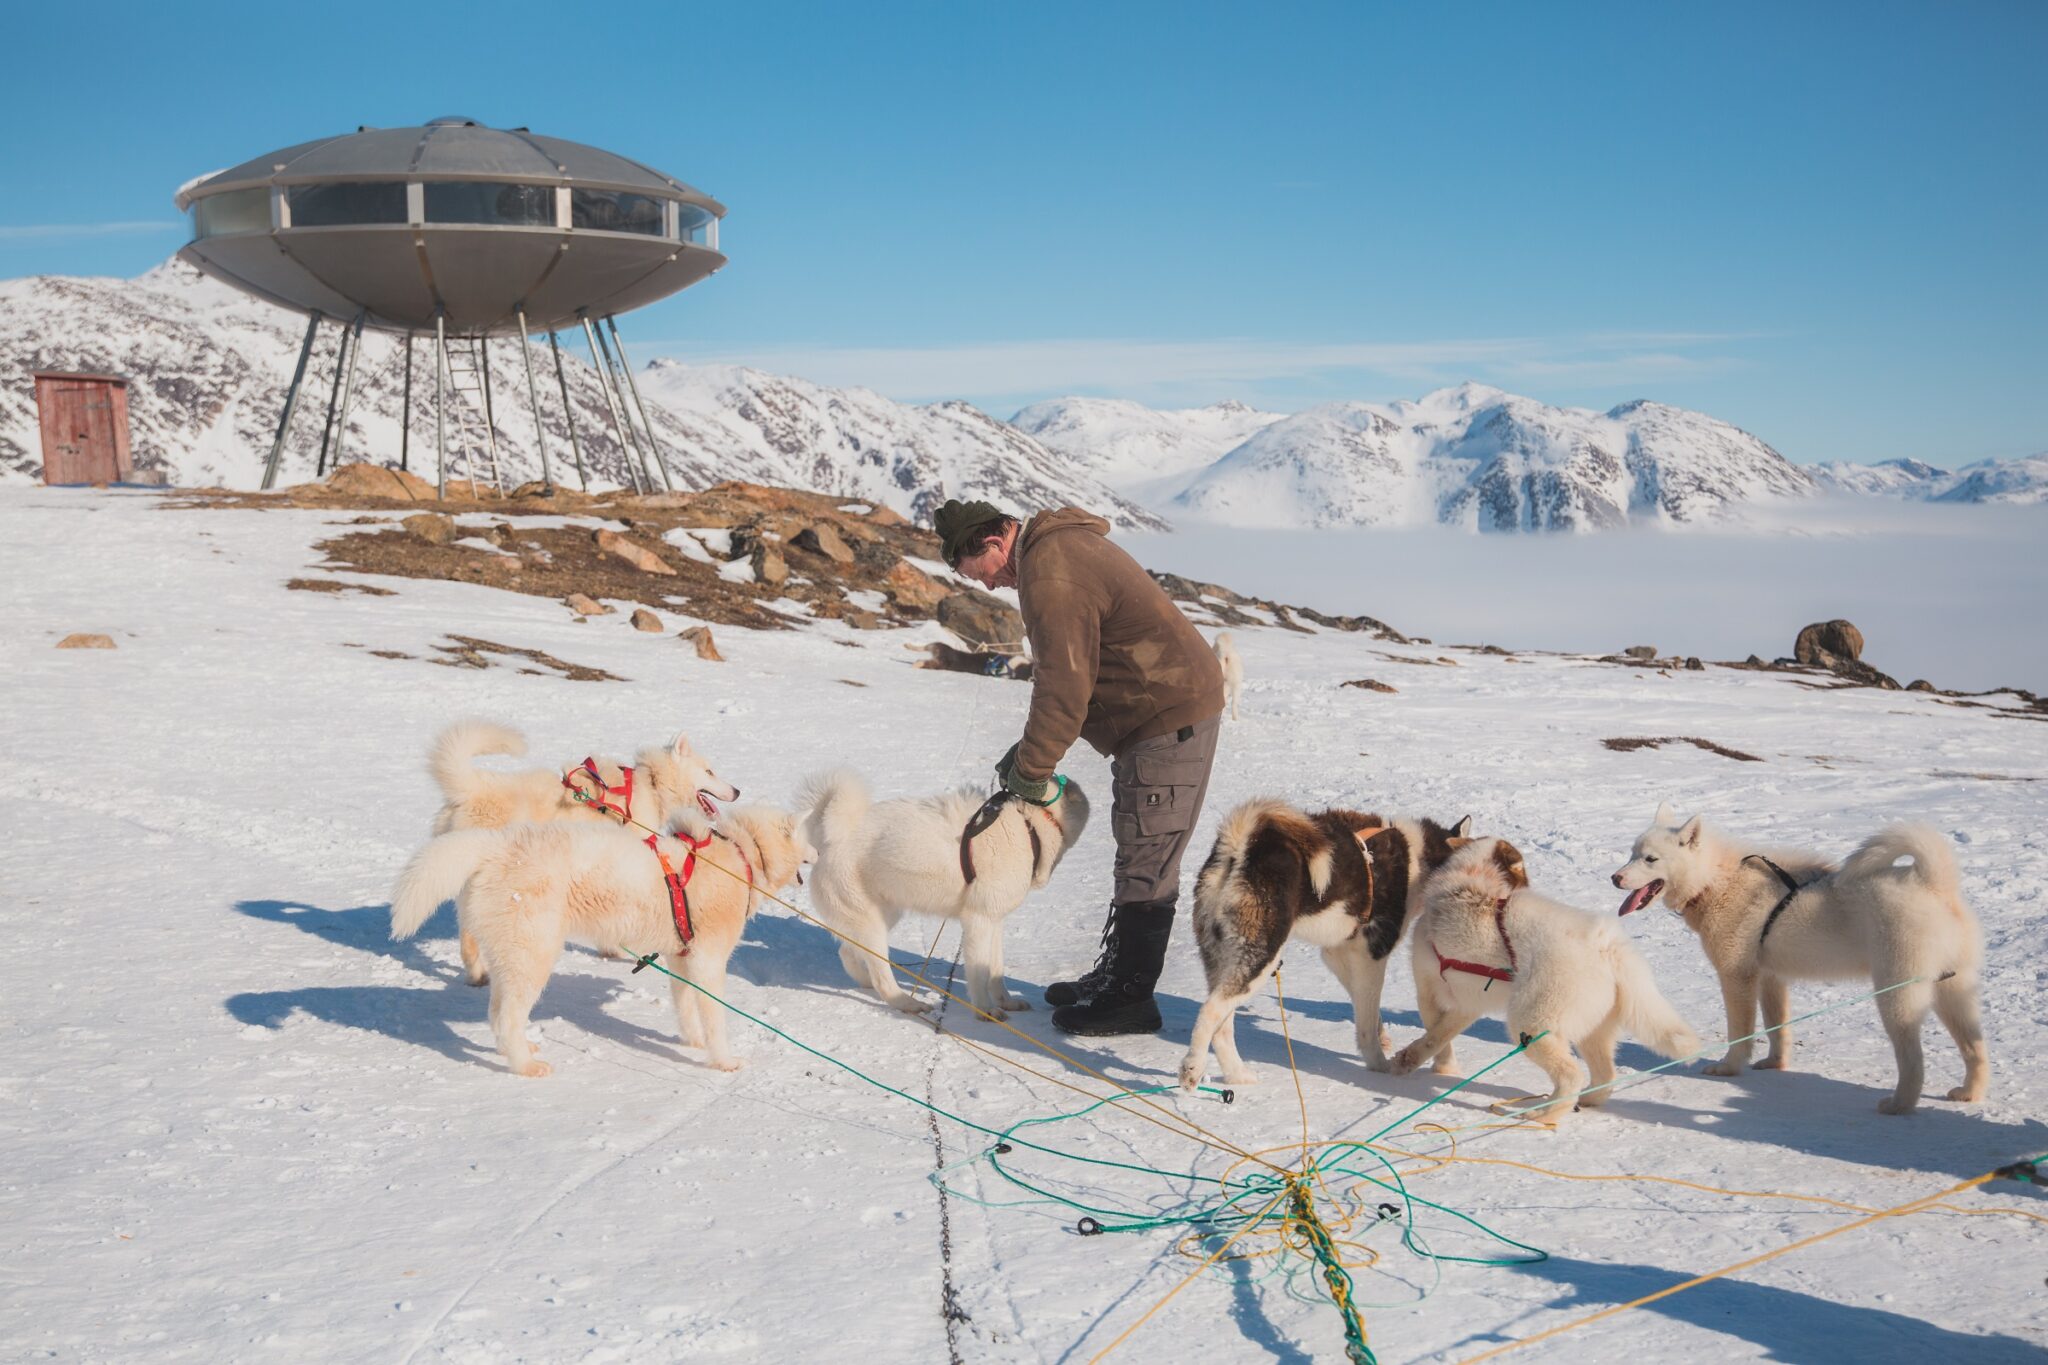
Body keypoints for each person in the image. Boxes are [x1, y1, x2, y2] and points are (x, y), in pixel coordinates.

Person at [932, 498, 1225, 1036]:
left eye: (984, 575)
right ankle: (1116, 977)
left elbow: (1063, 686)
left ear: (994, 544)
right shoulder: (1054, 551)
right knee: (1139, 843)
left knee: (1148, 851)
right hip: (1157, 713)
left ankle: (1130, 997)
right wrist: (1027, 756)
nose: (992, 587)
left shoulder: (1052, 569)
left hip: (1165, 716)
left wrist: (1031, 769)